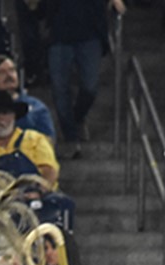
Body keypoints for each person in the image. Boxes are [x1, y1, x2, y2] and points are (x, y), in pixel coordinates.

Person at [46, 0, 125, 154]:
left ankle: (76, 118)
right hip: (59, 30)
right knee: (59, 88)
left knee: (90, 87)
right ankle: (71, 137)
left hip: (91, 31)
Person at [0, 91, 61, 189]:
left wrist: (39, 192)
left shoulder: (35, 139)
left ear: (14, 116)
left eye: (5, 113)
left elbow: (50, 172)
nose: (0, 118)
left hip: (37, 197)